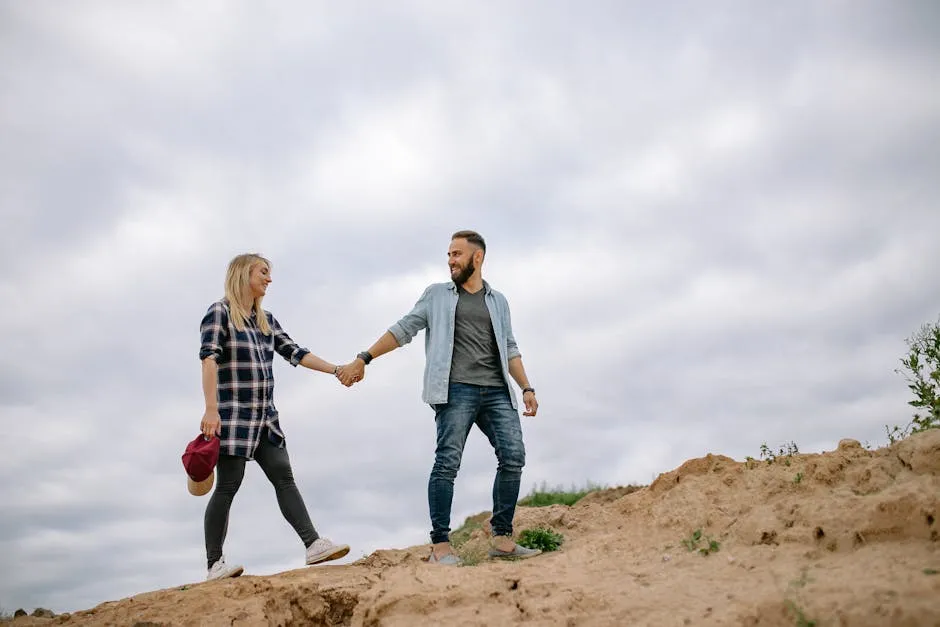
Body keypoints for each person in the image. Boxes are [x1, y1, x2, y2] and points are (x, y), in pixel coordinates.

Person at [337, 230, 541, 565]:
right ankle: (441, 545)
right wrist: (364, 357)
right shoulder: (437, 296)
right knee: (447, 463)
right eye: (449, 255)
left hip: (496, 391)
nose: (450, 261)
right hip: (454, 390)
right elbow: (403, 330)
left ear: (478, 258)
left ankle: (502, 538)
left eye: (457, 254)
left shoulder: (498, 301)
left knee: (514, 456)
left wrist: (526, 387)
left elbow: (509, 347)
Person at [198, 253, 351, 581]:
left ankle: (313, 544)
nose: (269, 279)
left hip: (265, 417)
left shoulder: (266, 320)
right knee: (227, 485)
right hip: (233, 416)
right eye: (263, 272)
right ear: (244, 275)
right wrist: (211, 409)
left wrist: (335, 369)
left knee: (284, 476)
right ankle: (215, 565)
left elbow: (295, 352)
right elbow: (209, 359)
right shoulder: (219, 313)